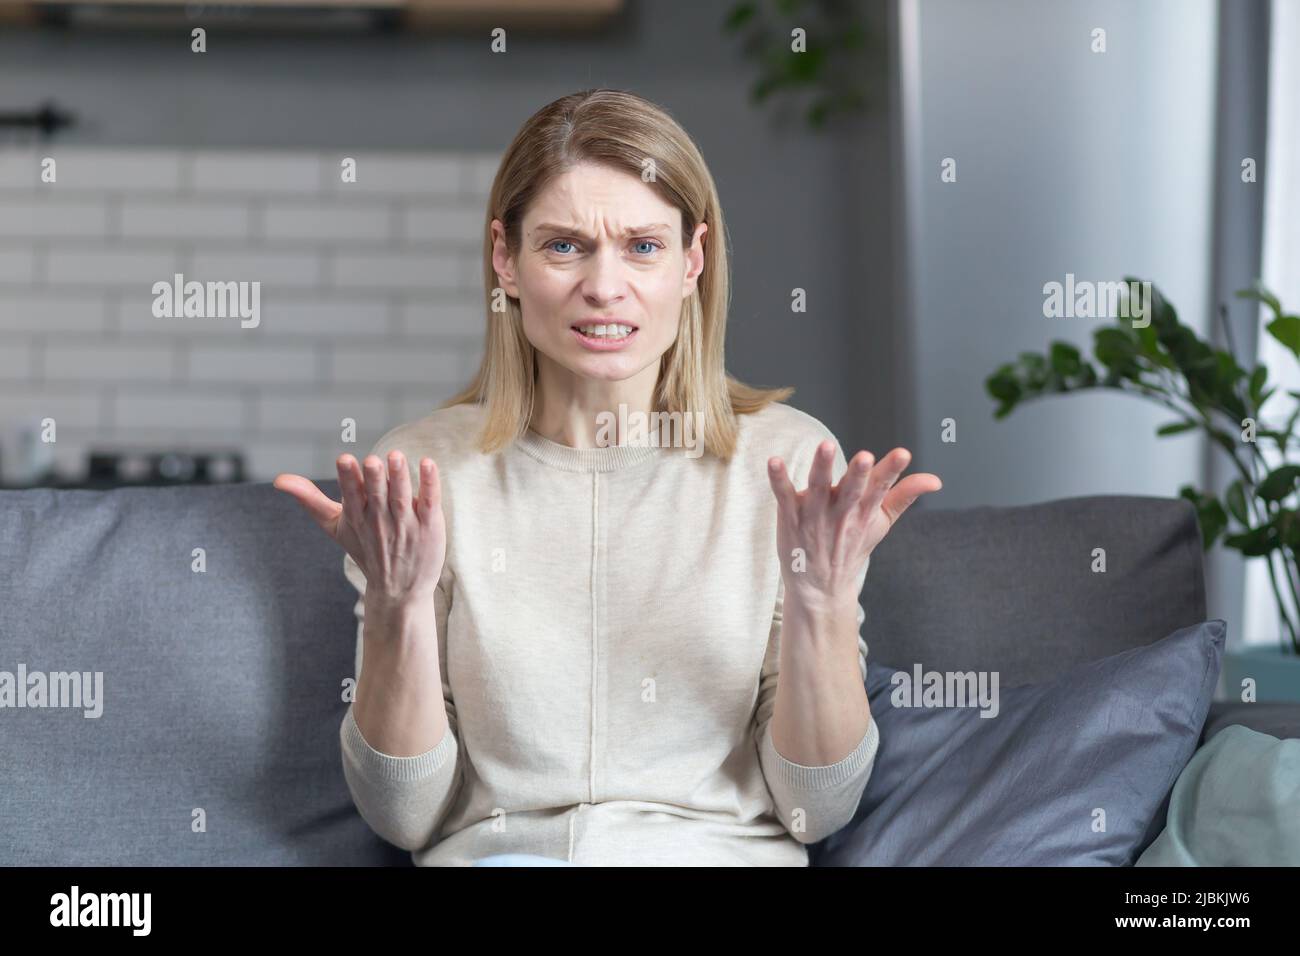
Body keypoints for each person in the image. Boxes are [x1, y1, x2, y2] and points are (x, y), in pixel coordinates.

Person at [274, 88, 941, 866]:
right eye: (563, 246)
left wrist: (822, 602)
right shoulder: (424, 473)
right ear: (505, 259)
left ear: (693, 260)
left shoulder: (787, 465)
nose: (604, 285)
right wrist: (397, 603)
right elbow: (406, 815)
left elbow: (813, 808)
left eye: (643, 247)